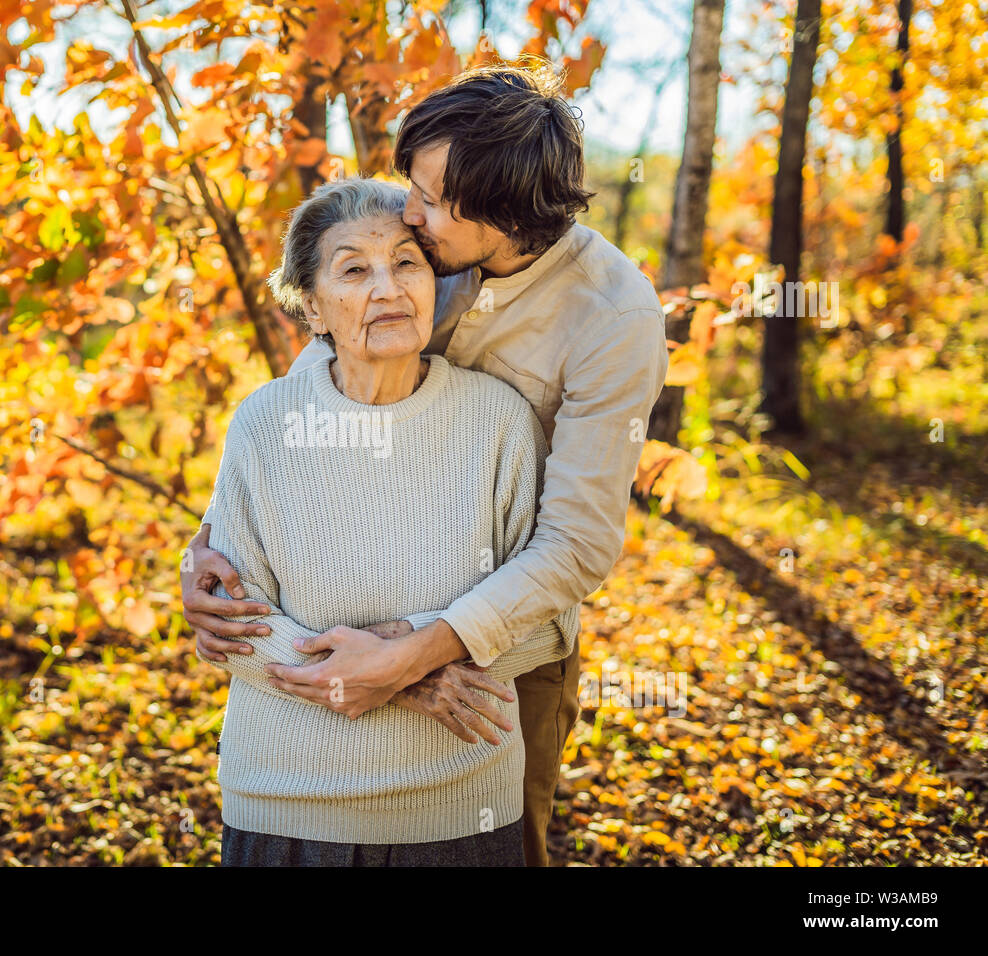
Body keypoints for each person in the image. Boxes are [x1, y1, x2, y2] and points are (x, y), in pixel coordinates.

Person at [183, 65, 670, 866]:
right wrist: (209, 547)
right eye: (414, 184)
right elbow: (326, 370)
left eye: (431, 203)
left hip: (505, 634)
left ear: (504, 216)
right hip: (332, 610)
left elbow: (575, 546)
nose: (409, 214)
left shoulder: (611, 317)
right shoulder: (421, 244)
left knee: (505, 838)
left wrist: (414, 657)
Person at [198, 176, 574, 866]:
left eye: (407, 262)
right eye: (354, 270)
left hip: (459, 808)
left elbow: (552, 620)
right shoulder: (265, 423)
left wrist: (401, 661)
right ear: (313, 308)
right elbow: (234, 624)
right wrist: (403, 676)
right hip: (286, 803)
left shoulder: (499, 422)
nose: (388, 289)